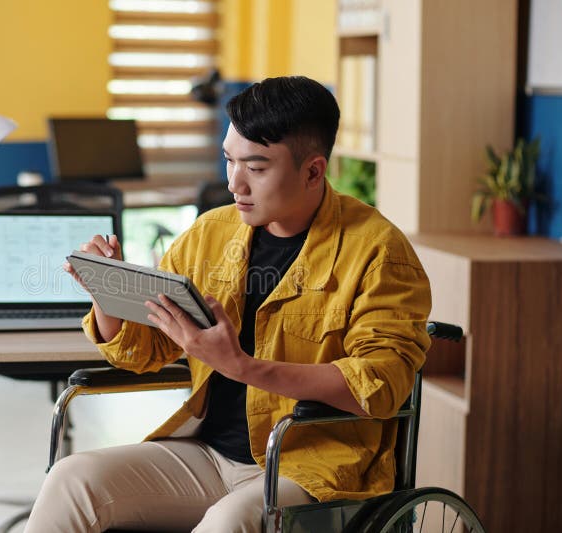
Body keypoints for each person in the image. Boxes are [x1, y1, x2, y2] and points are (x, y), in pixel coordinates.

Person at [24, 76, 431, 533]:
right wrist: (109, 296)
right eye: (229, 160)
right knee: (71, 479)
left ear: (313, 171)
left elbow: (380, 385)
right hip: (208, 454)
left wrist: (243, 366)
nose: (234, 183)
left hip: (311, 465)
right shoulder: (210, 233)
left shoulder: (379, 251)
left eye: (255, 168)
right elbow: (144, 352)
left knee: (227, 522)